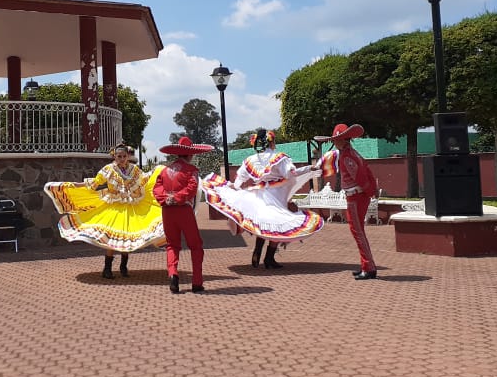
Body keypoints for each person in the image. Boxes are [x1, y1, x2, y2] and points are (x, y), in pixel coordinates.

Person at [203, 128, 324, 268]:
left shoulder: (251, 160)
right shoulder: (279, 157)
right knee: (277, 224)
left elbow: (239, 180)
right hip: (276, 195)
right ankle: (269, 258)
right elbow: (291, 174)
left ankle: (258, 251)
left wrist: (233, 189)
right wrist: (309, 168)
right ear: (272, 142)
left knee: (264, 222)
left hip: (259, 194)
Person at [44, 144, 166, 279]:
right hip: (113, 207)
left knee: (128, 236)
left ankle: (123, 267)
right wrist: (75, 185)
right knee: (112, 239)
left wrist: (159, 171)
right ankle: (107, 269)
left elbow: (145, 180)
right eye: (119, 156)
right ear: (114, 156)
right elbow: (94, 185)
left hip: (130, 206)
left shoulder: (134, 170)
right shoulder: (107, 170)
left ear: (128, 157)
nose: (122, 159)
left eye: (124, 156)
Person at [312, 123, 380, 280]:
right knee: (358, 231)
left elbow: (360, 177)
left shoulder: (347, 156)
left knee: (358, 232)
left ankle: (369, 267)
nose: (334, 143)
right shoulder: (352, 153)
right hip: (358, 196)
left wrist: (370, 191)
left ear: (342, 140)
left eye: (336, 140)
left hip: (355, 196)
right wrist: (372, 190)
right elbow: (367, 171)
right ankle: (366, 265)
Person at [152, 136, 213, 294]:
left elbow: (156, 189)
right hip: (183, 210)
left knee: (172, 244)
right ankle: (197, 282)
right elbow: (192, 189)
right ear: (190, 154)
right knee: (195, 245)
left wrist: (167, 199)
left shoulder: (165, 171)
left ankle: (173, 275)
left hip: (167, 210)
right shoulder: (191, 170)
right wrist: (178, 198)